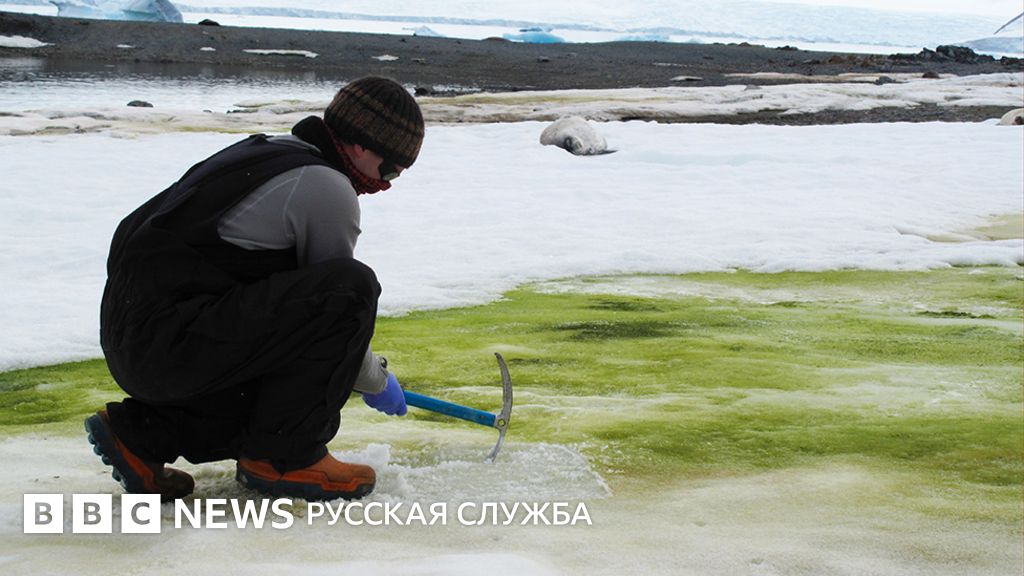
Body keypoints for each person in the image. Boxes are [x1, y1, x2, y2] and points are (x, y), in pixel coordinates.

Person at [84, 76, 424, 502]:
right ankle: (287, 456)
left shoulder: (269, 152)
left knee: (275, 376)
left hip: (140, 340)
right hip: (169, 342)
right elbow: (337, 312)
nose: (386, 184)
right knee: (353, 288)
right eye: (390, 170)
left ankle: (142, 437)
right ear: (360, 145)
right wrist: (376, 379)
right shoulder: (326, 187)